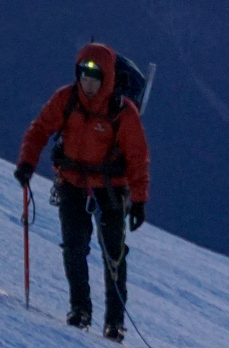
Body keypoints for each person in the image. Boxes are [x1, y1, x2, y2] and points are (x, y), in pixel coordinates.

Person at [15, 44, 151, 338]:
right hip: (72, 183)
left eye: (94, 77)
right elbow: (40, 129)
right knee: (74, 249)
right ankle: (80, 310)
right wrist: (27, 162)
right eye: (83, 75)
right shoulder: (67, 99)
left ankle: (114, 323)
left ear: (107, 78)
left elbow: (138, 159)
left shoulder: (122, 113)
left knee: (113, 255)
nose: (87, 83)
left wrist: (138, 201)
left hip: (111, 190)